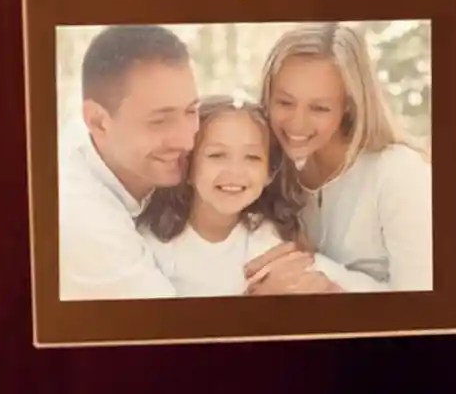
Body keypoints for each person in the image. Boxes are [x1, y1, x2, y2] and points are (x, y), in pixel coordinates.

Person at [248, 23, 434, 292]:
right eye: (285, 103)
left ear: (348, 105)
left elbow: (425, 307)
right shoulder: (268, 173)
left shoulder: (399, 173)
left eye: (319, 108)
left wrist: (328, 284)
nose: (297, 124)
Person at [137, 96, 354, 296]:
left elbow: (347, 288)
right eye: (217, 155)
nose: (235, 171)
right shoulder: (151, 244)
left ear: (270, 172)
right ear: (187, 166)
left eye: (251, 157)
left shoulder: (268, 241)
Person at [58, 25, 199, 300]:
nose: (186, 142)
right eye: (160, 121)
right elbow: (172, 331)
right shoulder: (80, 220)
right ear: (98, 121)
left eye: (191, 111)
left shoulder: (120, 155)